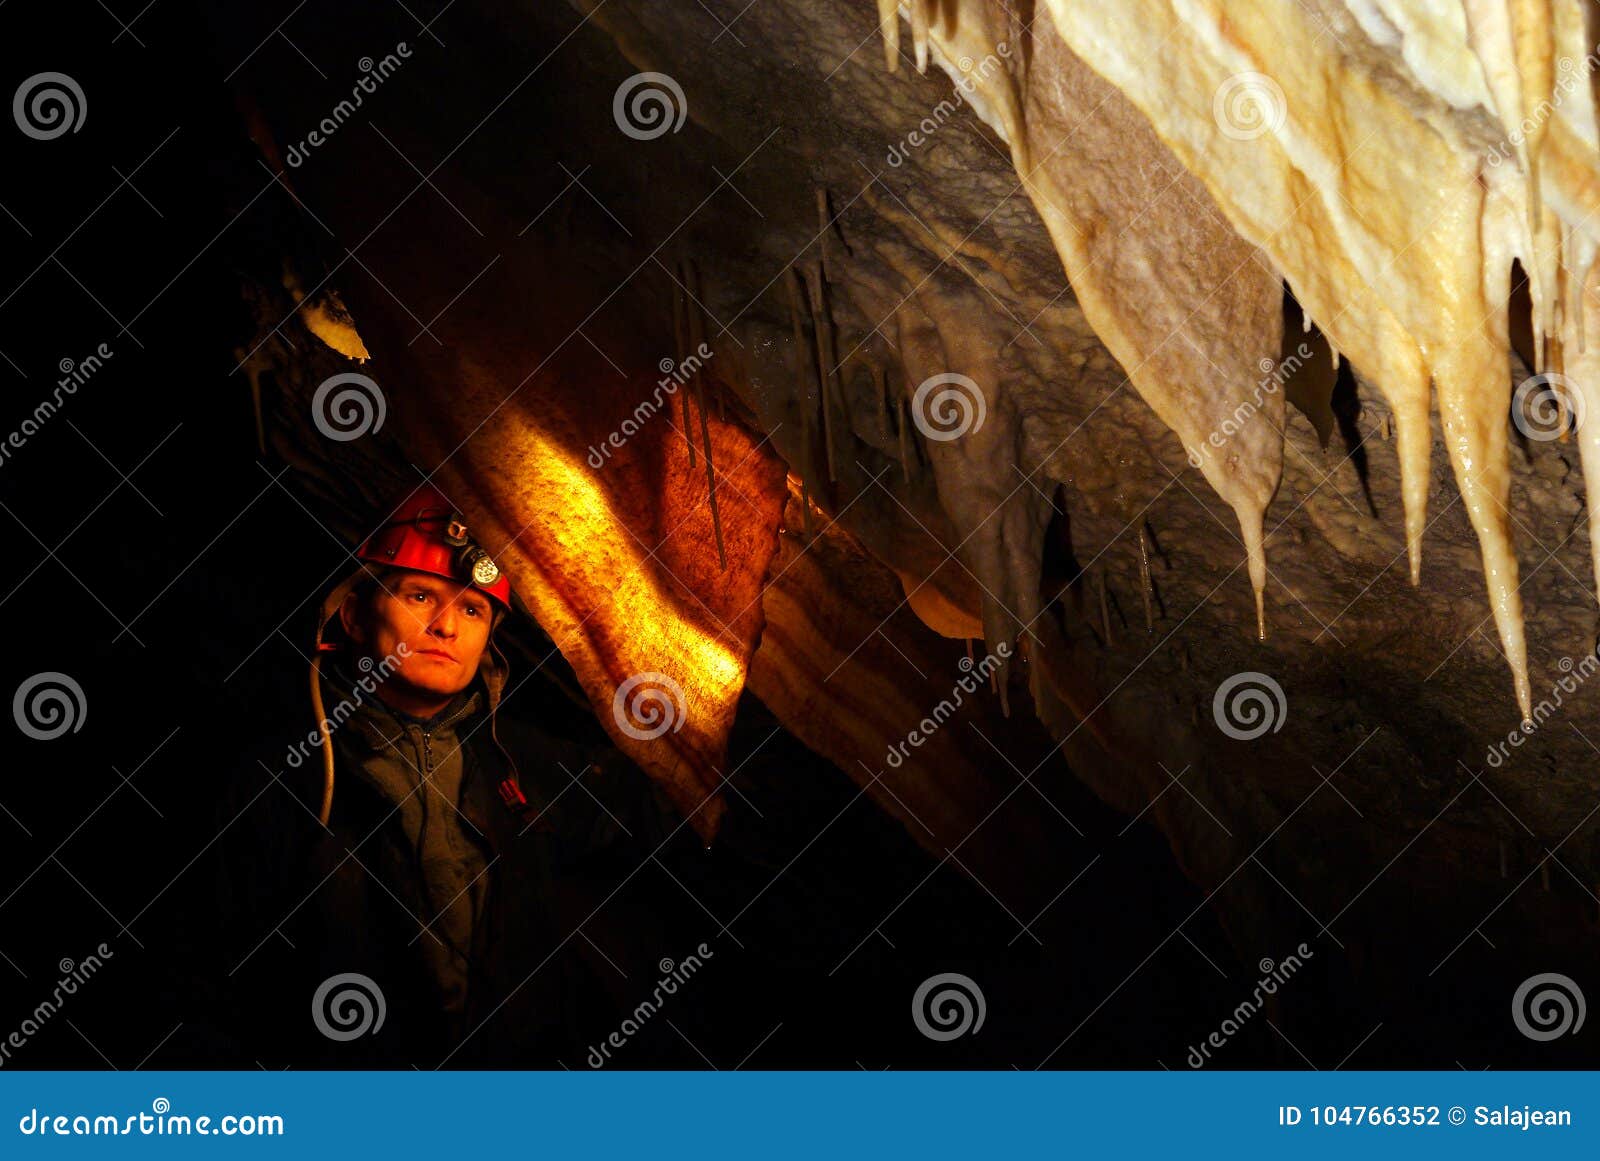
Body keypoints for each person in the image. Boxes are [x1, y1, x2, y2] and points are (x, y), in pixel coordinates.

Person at [195, 484, 684, 1066]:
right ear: (352, 615)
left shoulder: (528, 765)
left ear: (489, 642)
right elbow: (216, 982)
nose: (447, 627)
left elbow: (677, 816)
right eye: (421, 595)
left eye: (473, 608)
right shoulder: (285, 779)